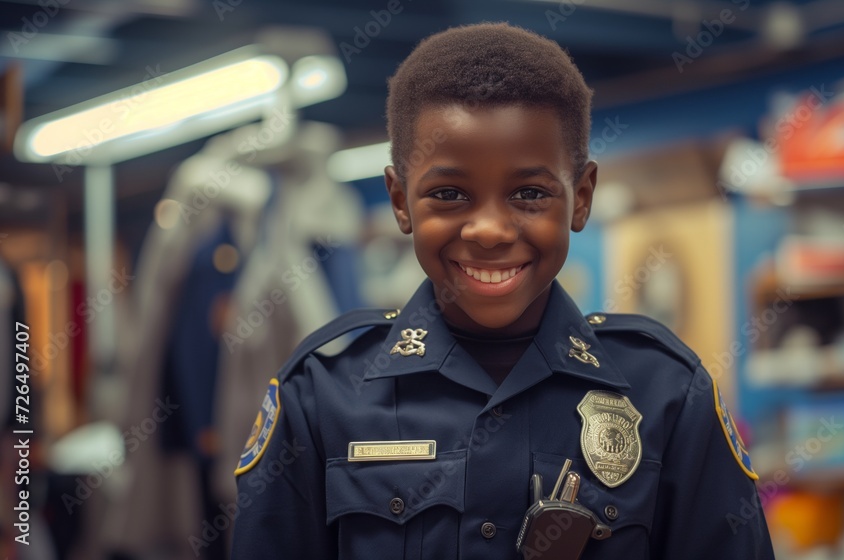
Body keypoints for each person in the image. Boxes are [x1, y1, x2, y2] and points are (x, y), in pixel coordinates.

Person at [231, 22, 774, 559]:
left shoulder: (667, 394)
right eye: (448, 193)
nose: (489, 230)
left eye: (529, 193)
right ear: (400, 201)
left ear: (580, 197)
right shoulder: (321, 393)